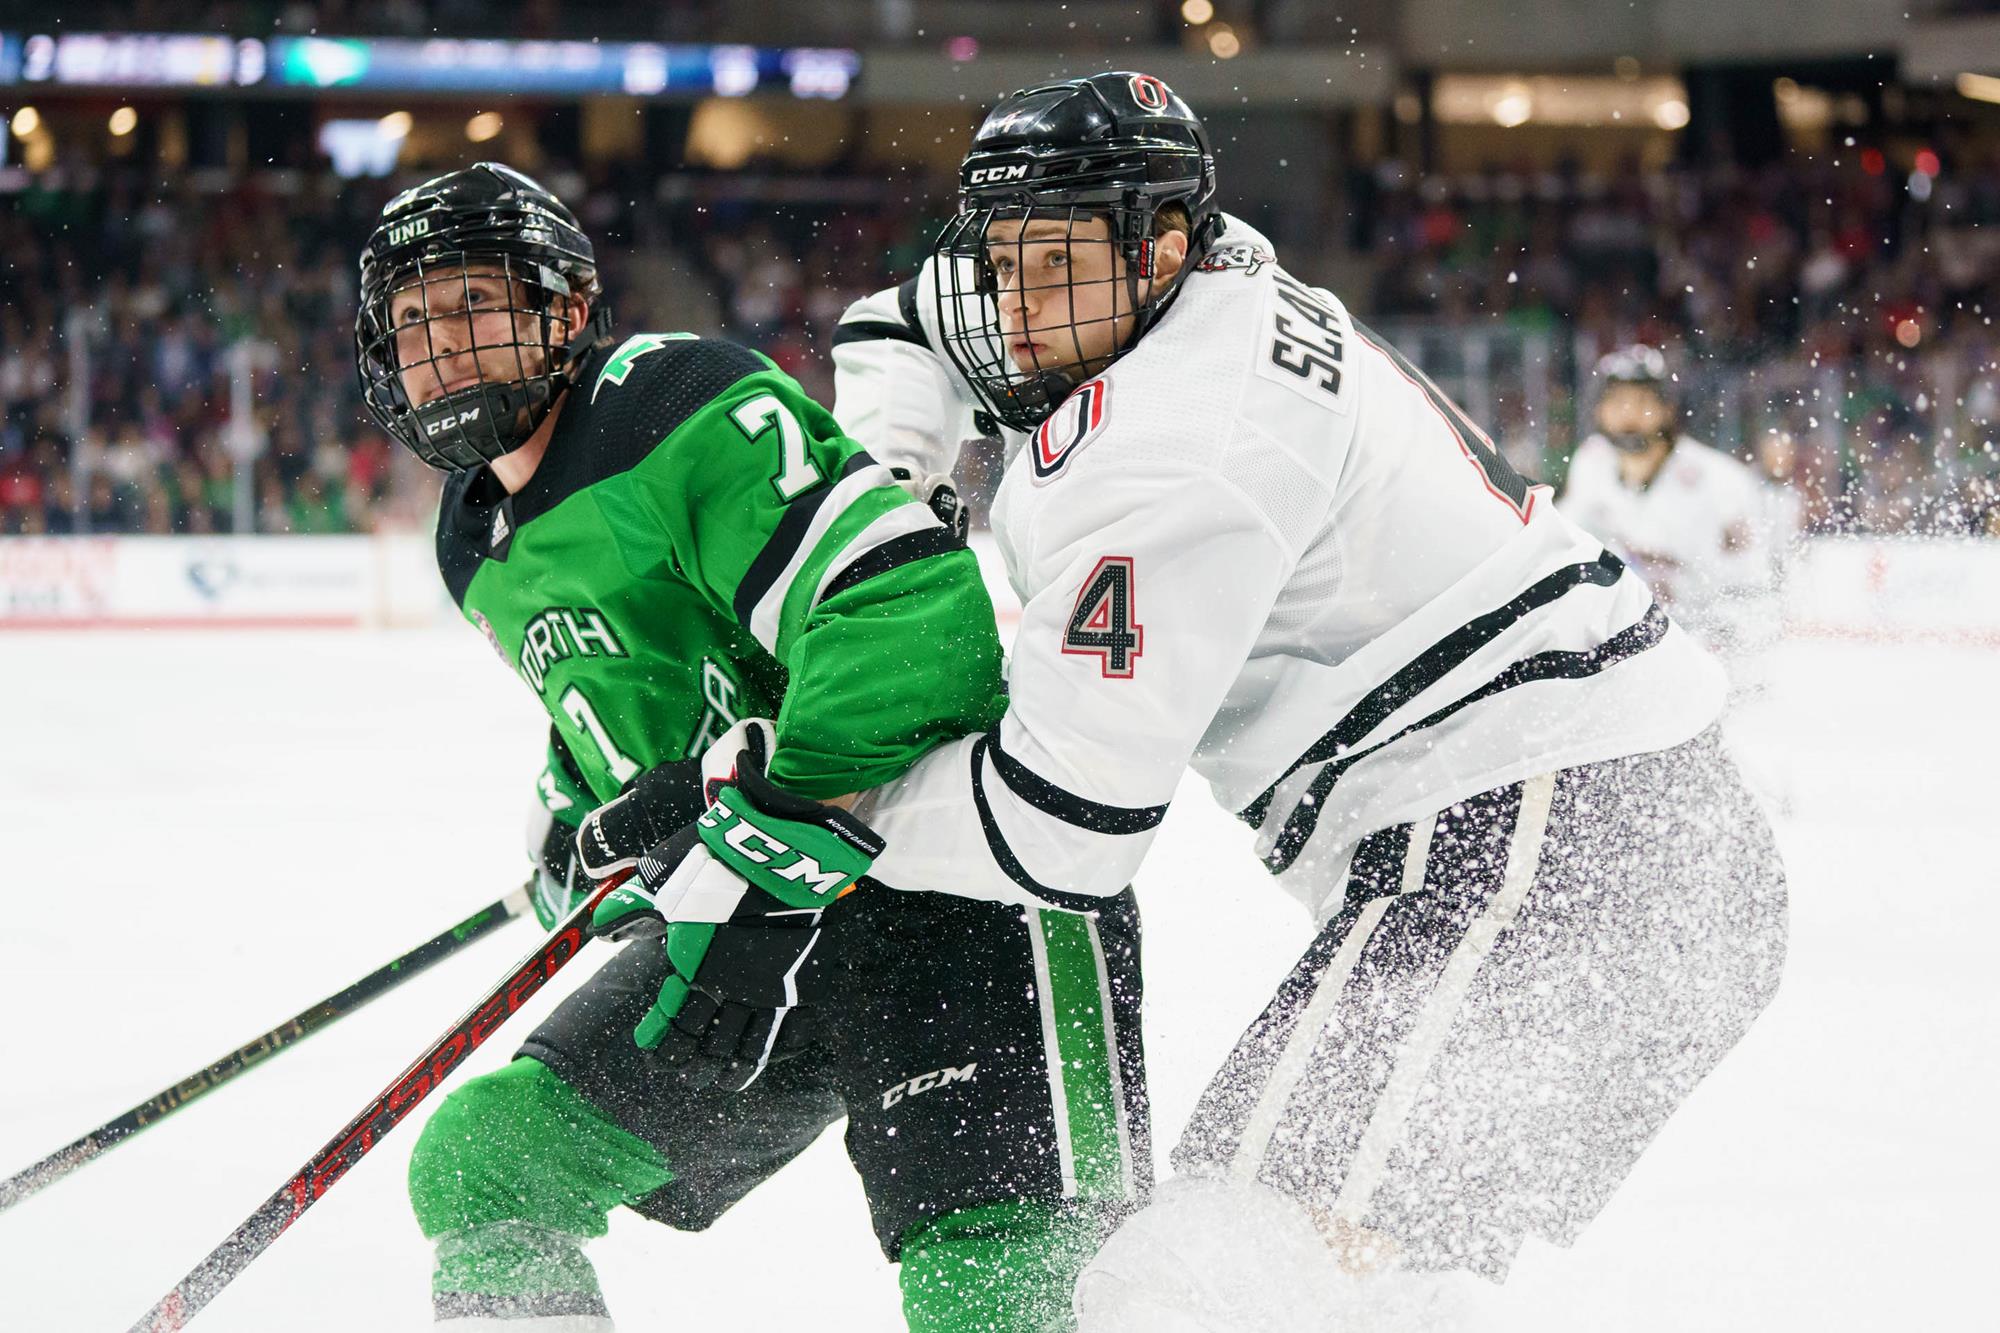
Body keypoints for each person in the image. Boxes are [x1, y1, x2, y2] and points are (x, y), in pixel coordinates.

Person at [823, 74, 1788, 1330]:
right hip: (1622, 841)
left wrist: (835, 795)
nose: (1011, 309)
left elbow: (1064, 826)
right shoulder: (1202, 278)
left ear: (1159, 246)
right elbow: (898, 322)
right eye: (998, 261)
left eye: (1048, 262)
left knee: (1201, 1285)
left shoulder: (1186, 437)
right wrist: (892, 502)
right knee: (1390, 1295)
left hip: (1554, 845)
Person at [355, 162, 1150, 1333]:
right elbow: (632, 715)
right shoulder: (474, 537)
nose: (445, 346)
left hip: (960, 888)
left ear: (566, 310)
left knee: (987, 1288)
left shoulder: (672, 406)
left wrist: (752, 839)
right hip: (764, 920)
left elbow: (909, 617)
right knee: (490, 1162)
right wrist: (580, 825)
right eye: (415, 321)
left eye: (475, 303)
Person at [1560, 347, 1791, 807]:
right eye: (1617, 403)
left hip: (1710, 641)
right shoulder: (1591, 466)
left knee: (1715, 774)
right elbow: (1565, 552)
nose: (1628, 416)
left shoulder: (1718, 483)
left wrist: (1712, 652)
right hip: (1625, 644)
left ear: (1666, 409)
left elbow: (1756, 592)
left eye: (1640, 402)